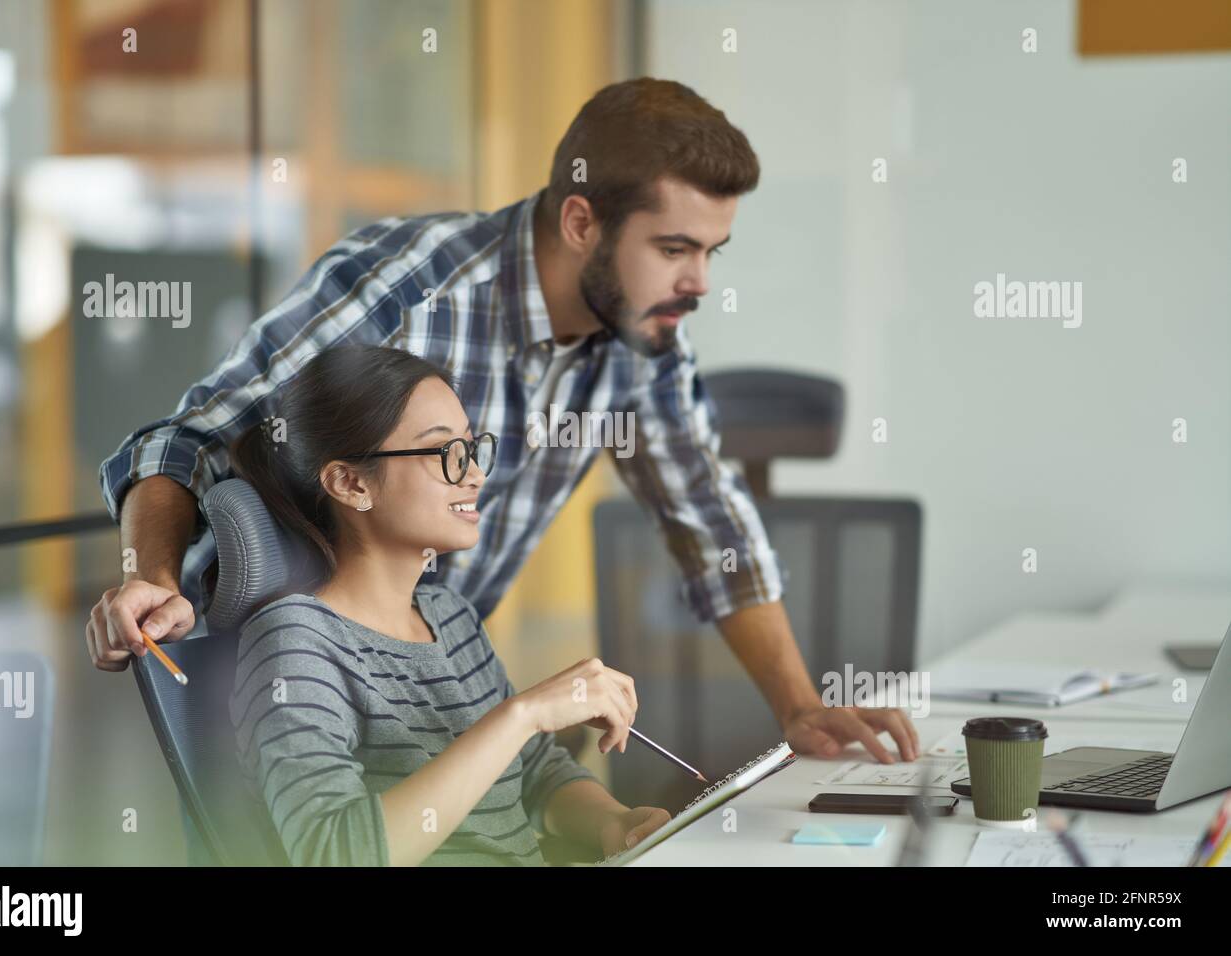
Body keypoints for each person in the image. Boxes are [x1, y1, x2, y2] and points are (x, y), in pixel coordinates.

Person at [90, 77, 918, 791]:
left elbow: (714, 527)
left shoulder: (643, 339)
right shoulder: (415, 290)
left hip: (433, 682)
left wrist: (800, 707)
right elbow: (186, 439)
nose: (698, 283)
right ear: (584, 222)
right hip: (284, 697)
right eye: (674, 248)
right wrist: (150, 573)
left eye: (712, 252)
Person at [226, 343, 668, 865]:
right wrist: (521, 714)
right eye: (445, 455)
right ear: (350, 482)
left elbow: (534, 773)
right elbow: (333, 853)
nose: (476, 475)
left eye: (471, 448)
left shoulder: (450, 616)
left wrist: (613, 823)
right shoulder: (294, 642)